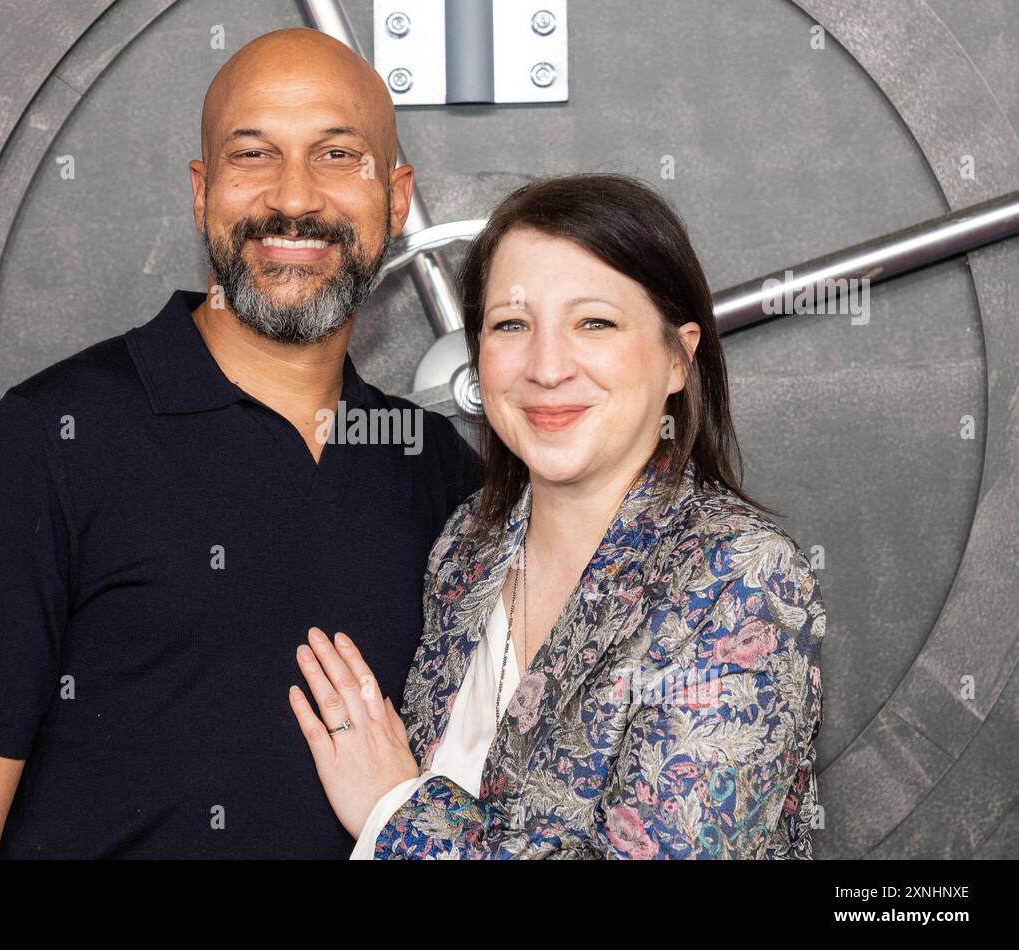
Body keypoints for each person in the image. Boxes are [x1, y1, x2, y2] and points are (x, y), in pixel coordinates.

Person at [0, 28, 482, 859]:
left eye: (337, 155)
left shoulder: (441, 471)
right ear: (201, 194)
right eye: (253, 156)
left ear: (394, 197)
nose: (294, 198)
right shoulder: (48, 444)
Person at [289, 173, 825, 859]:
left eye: (593, 322)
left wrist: (394, 809)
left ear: (676, 358)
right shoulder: (466, 548)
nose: (545, 368)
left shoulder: (743, 579)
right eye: (511, 324)